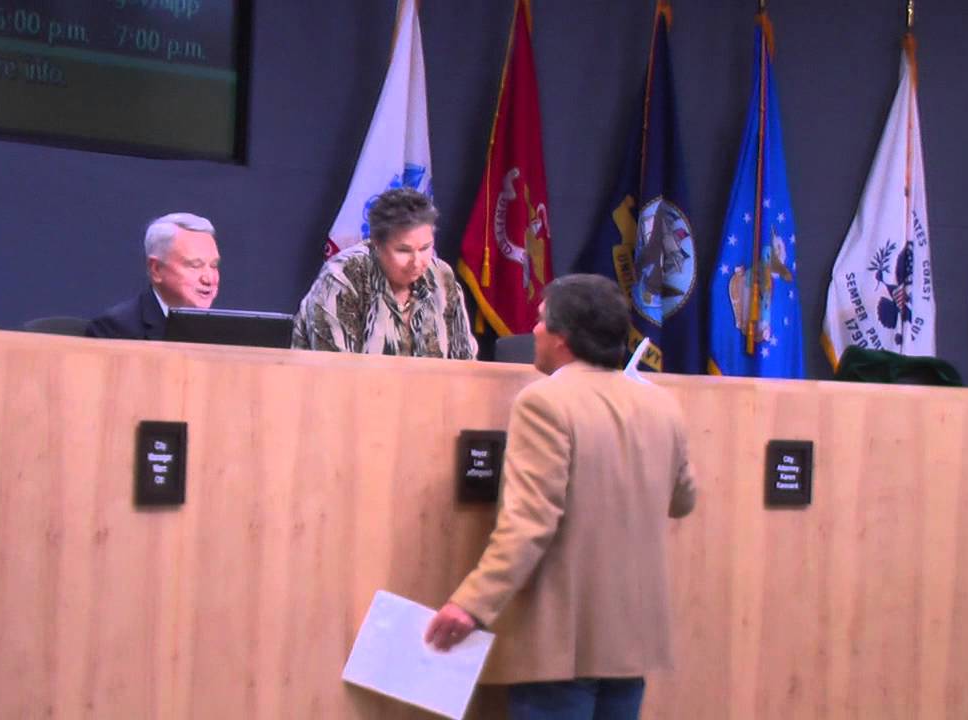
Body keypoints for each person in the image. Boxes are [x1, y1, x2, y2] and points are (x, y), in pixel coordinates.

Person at [424, 274, 696, 720]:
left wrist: (471, 603)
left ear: (563, 338)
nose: (532, 330)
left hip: (562, 640)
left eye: (540, 320)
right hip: (630, 639)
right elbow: (683, 500)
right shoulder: (660, 404)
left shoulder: (545, 403)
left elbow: (528, 523)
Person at [291, 188, 477, 359]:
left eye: (425, 248)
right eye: (403, 250)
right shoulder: (343, 277)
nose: (417, 261)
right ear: (377, 244)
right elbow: (334, 370)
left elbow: (464, 362)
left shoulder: (441, 276)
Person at [86, 213, 221, 339]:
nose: (208, 279)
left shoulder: (222, 331)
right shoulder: (115, 329)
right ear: (156, 269)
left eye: (214, 266)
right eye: (195, 265)